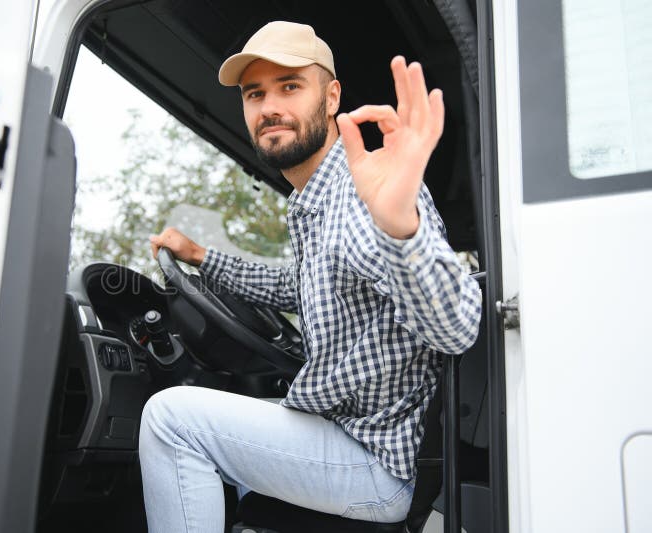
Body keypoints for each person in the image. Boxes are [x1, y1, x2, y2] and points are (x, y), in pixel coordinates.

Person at [140, 20, 482, 532]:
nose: (269, 106)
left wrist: (401, 229)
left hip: (374, 458)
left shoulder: (360, 196)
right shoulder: (312, 200)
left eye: (290, 87)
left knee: (171, 421)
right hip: (344, 428)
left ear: (331, 98)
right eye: (255, 94)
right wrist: (202, 256)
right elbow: (293, 286)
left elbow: (455, 328)